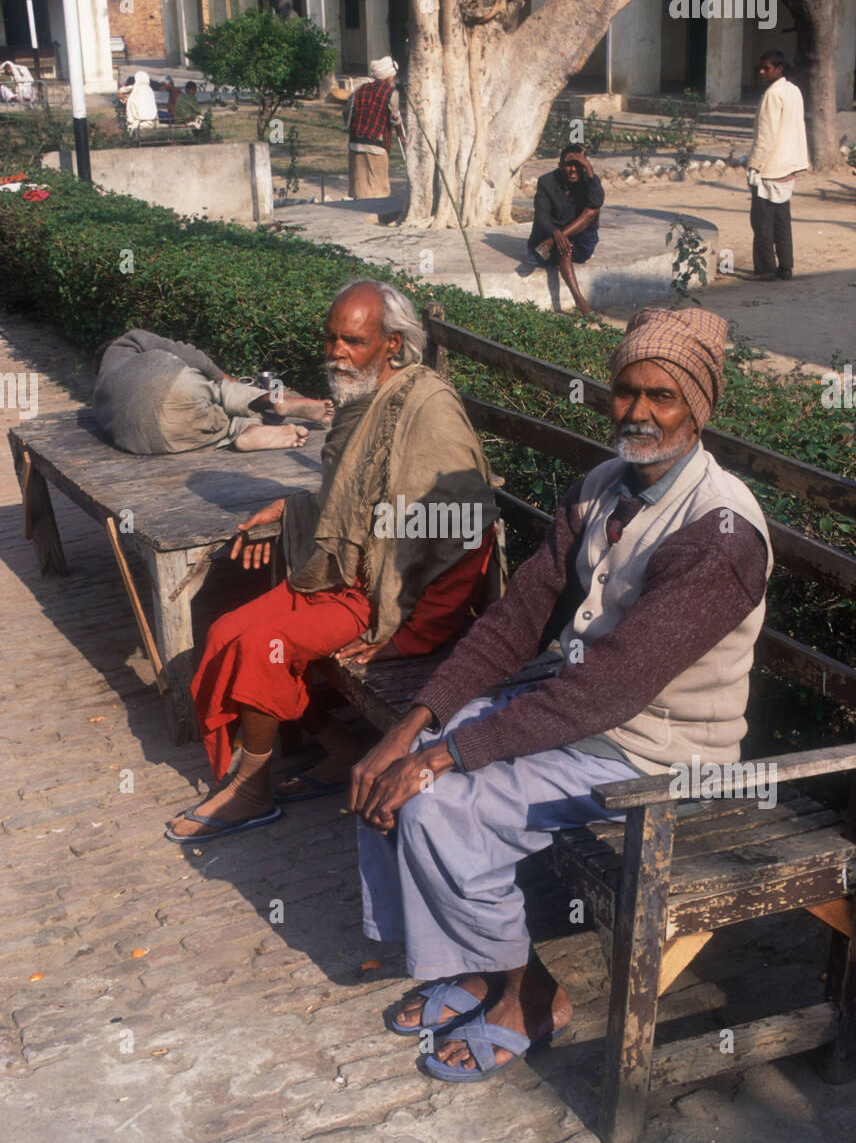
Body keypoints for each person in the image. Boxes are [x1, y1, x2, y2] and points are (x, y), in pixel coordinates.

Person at [351, 306, 773, 1084]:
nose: (639, 412)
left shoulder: (719, 534)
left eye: (663, 396)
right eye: (625, 390)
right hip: (581, 715)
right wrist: (413, 726)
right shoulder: (602, 489)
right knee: (393, 768)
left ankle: (532, 997)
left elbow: (609, 692)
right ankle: (479, 967)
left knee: (441, 802)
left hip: (663, 756)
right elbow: (515, 622)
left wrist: (449, 755)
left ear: (699, 408)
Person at [165, 278, 499, 843]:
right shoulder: (362, 401)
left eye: (352, 341)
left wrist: (412, 638)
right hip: (341, 575)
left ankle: (251, 790)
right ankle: (341, 746)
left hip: (388, 600)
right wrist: (294, 510)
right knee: (225, 629)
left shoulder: (429, 409)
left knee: (261, 648)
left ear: (392, 344)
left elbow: (470, 534)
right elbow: (355, 499)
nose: (336, 353)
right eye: (330, 339)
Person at [93, 329, 332, 455]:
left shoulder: (100, 394)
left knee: (216, 425)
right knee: (220, 392)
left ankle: (242, 431)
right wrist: (222, 377)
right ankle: (273, 399)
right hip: (174, 384)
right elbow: (187, 352)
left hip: (153, 440)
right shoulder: (125, 342)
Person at [746, 51, 808, 281]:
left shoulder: (773, 94)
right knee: (782, 221)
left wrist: (755, 165)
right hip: (788, 166)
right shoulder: (793, 91)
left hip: (770, 168)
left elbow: (766, 136)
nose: (762, 72)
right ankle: (786, 266)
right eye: (761, 68)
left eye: (767, 68)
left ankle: (765, 270)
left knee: (762, 223)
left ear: (779, 68)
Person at [524, 144, 604, 317]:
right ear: (560, 165)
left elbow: (596, 204)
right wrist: (555, 234)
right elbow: (541, 216)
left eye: (578, 165)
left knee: (592, 211)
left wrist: (589, 169)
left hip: (577, 243)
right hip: (545, 245)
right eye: (569, 164)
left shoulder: (588, 181)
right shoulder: (546, 182)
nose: (573, 170)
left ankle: (559, 240)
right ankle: (582, 305)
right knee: (564, 246)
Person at [343, 57, 406, 199]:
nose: (394, 79)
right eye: (394, 77)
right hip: (376, 146)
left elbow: (347, 112)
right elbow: (395, 119)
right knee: (378, 189)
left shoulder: (359, 89)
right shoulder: (391, 94)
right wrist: (401, 137)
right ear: (389, 77)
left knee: (360, 189)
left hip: (355, 143)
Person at [124, 70, 158, 135]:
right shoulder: (149, 90)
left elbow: (130, 108)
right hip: (152, 122)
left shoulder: (135, 92)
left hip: (139, 124)